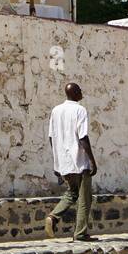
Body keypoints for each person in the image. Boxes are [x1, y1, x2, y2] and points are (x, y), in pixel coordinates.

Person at [45, 82, 97, 241]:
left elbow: (51, 137)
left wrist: (57, 161)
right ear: (74, 93)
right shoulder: (79, 110)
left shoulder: (56, 110)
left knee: (72, 192)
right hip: (79, 161)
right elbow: (83, 137)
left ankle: (53, 217)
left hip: (64, 162)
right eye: (80, 90)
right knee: (84, 198)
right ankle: (80, 233)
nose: (82, 92)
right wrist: (92, 160)